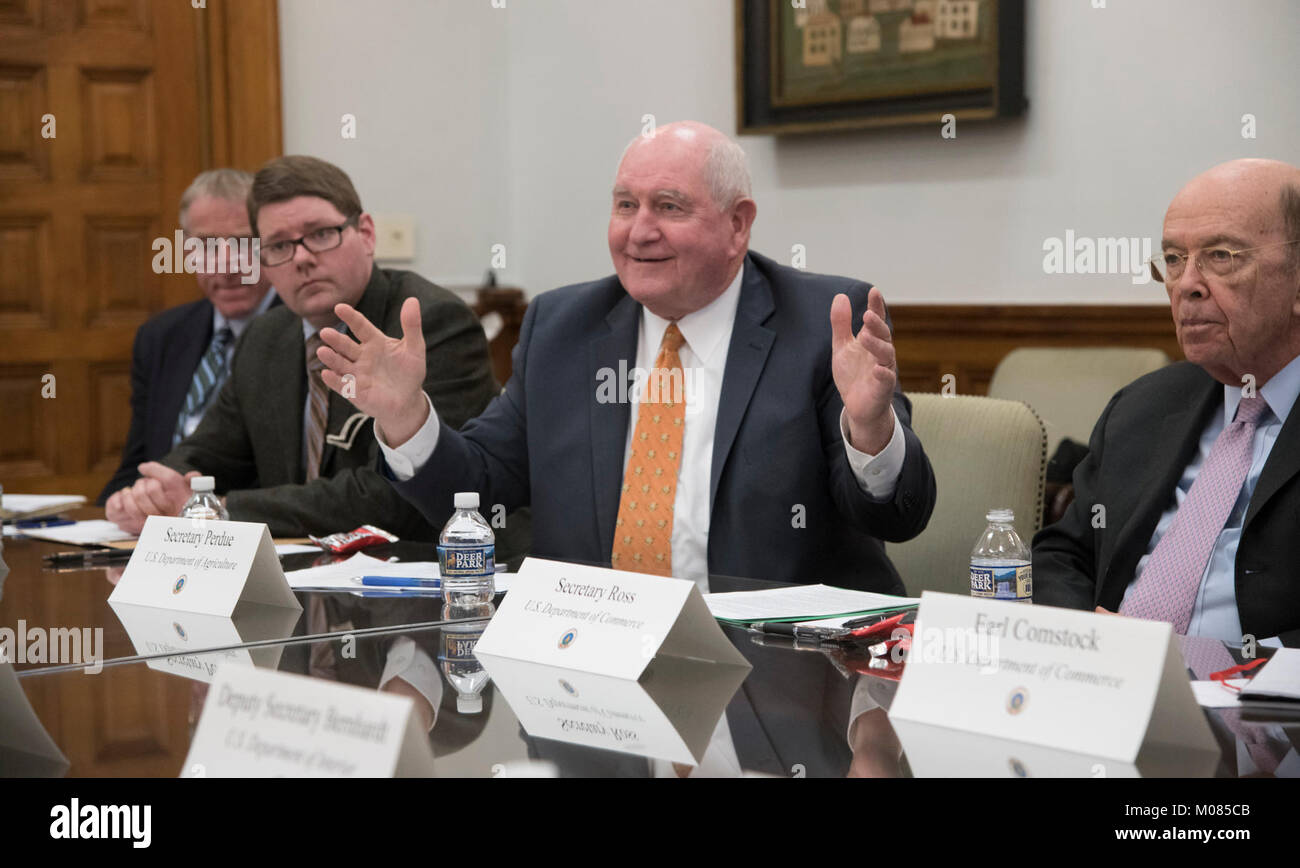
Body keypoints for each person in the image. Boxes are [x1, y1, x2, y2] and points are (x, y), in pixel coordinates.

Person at [317, 122, 934, 591]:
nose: (639, 231)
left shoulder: (823, 322)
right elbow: (480, 487)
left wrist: (871, 430)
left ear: (738, 225)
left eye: (669, 207)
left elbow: (897, 516)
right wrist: (406, 419)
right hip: (594, 665)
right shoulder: (562, 327)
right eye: (624, 205)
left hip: (784, 673)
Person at [104, 156, 500, 539]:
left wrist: (222, 512)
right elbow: (209, 453)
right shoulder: (265, 338)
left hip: (426, 576)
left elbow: (392, 497)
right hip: (302, 577)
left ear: (366, 233)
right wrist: (150, 493)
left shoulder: (428, 323)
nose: (303, 258)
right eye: (278, 246)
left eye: (321, 235)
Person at [1034, 159, 1300, 647]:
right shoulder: (1144, 406)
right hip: (1108, 691)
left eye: (1221, 256)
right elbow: (1063, 553)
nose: (1186, 285)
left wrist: (1223, 666)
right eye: (1174, 260)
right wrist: (1084, 643)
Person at [98, 169, 278, 503]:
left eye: (243, 243)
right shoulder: (161, 336)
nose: (227, 265)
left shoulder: (303, 331)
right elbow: (140, 463)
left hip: (255, 526)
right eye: (207, 246)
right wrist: (116, 506)